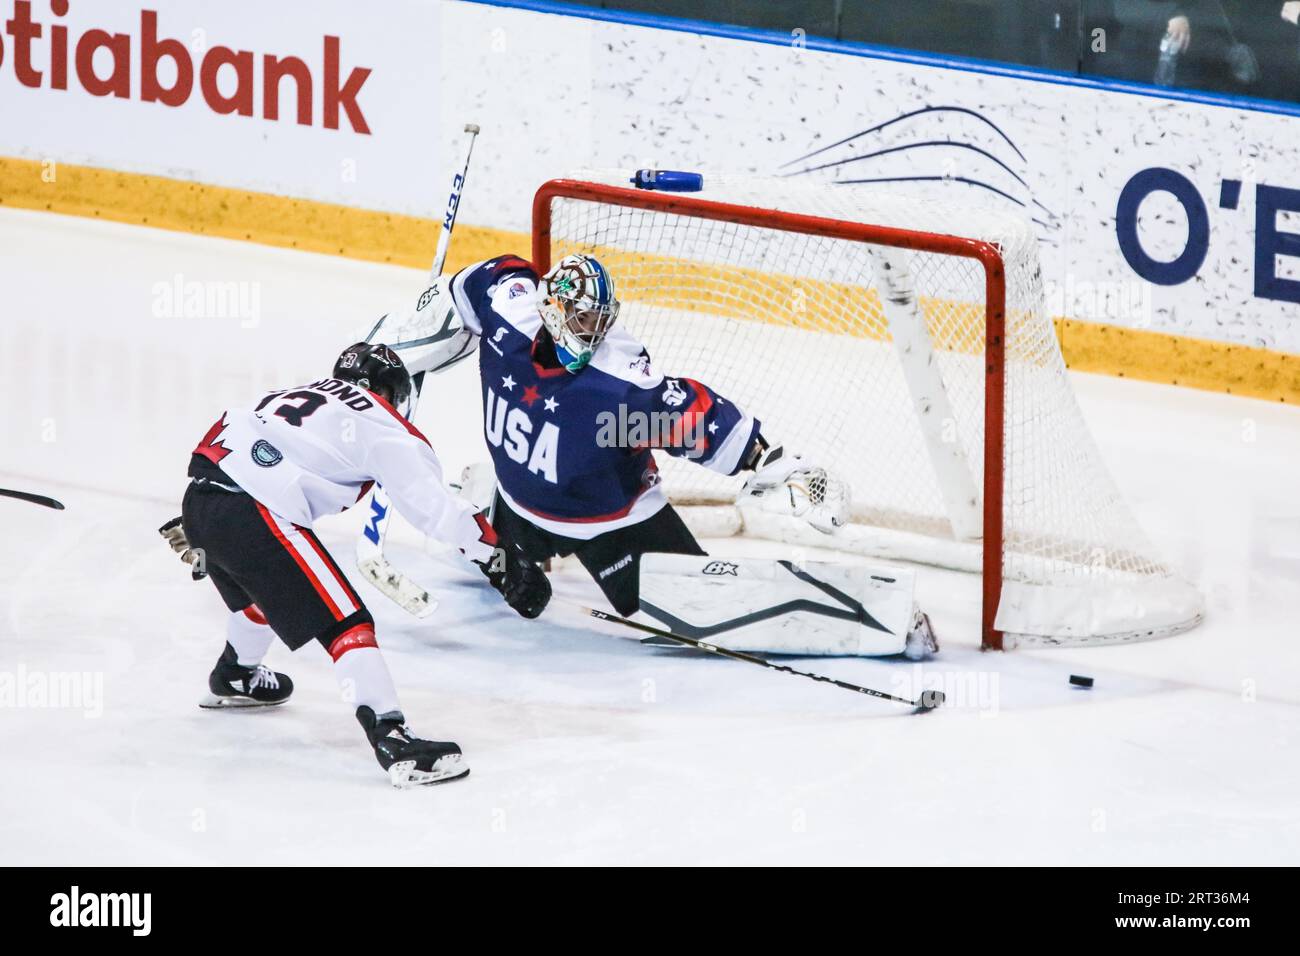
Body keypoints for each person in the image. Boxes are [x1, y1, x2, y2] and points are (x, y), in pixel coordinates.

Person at [365, 254, 938, 660]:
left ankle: (873, 616)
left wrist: (768, 461)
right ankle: (487, 494)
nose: (595, 332)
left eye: (602, 320)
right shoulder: (506, 314)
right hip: (520, 508)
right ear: (554, 310)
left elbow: (693, 418)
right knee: (481, 544)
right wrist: (392, 353)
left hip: (613, 526)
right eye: (584, 319)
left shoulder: (614, 387)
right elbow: (462, 290)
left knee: (708, 609)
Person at [159, 343, 550, 787]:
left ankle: (236, 672)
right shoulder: (384, 423)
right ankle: (393, 738)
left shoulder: (295, 393)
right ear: (390, 392)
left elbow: (229, 430)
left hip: (200, 498)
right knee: (348, 622)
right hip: (256, 510)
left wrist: (208, 517)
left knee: (264, 590)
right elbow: (438, 511)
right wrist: (501, 561)